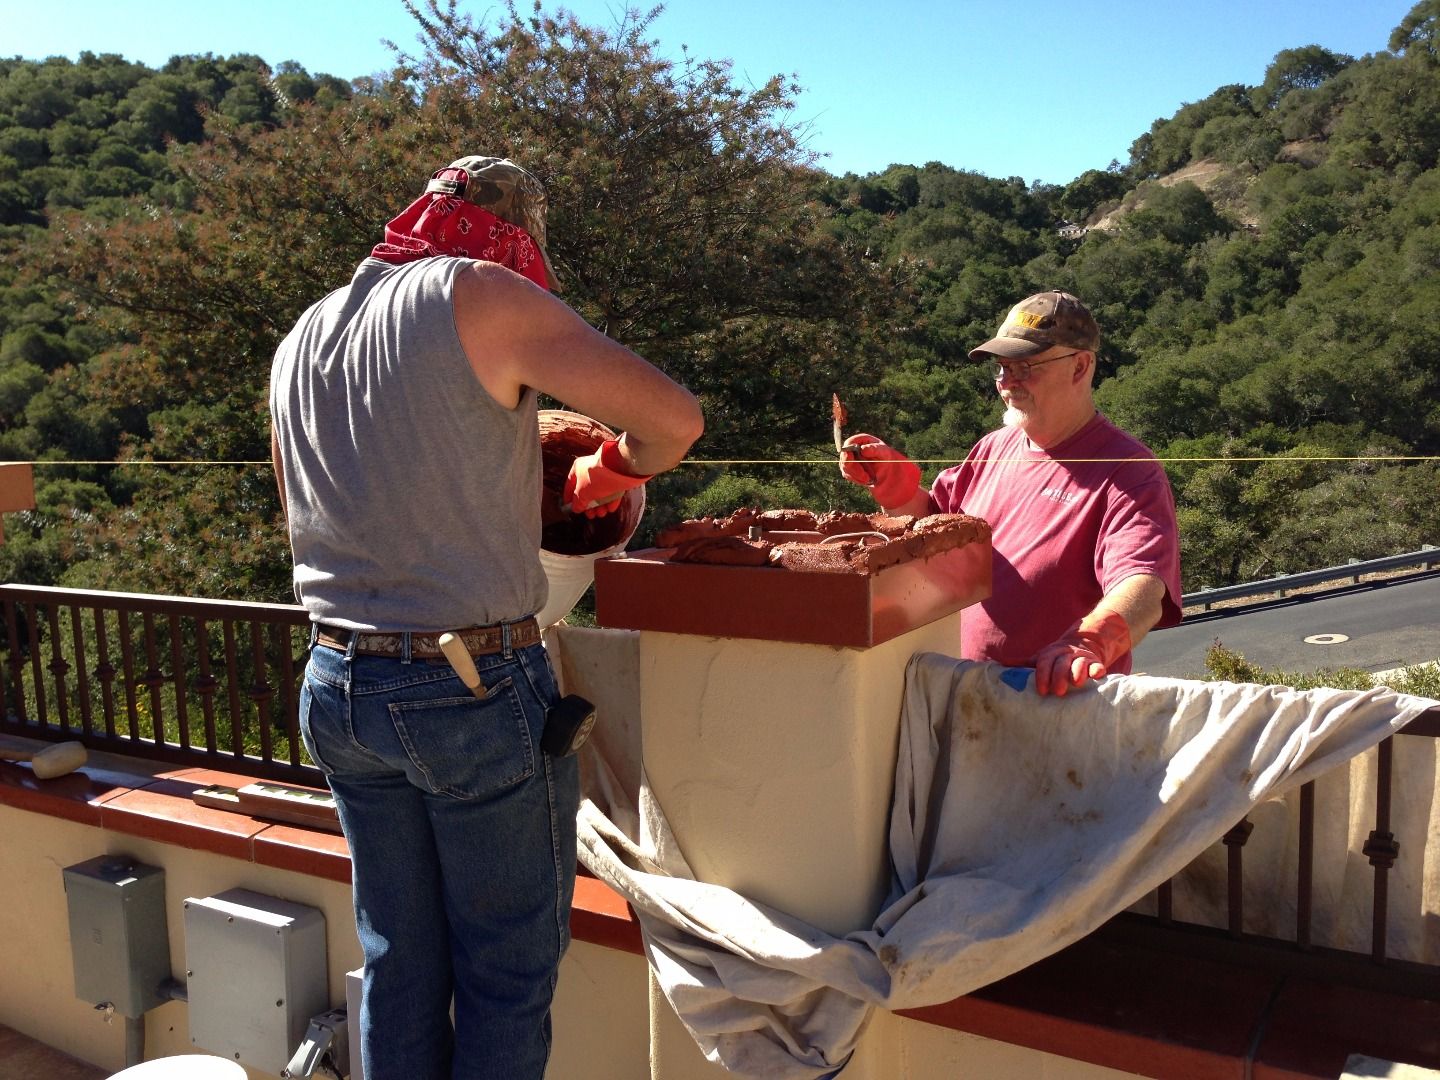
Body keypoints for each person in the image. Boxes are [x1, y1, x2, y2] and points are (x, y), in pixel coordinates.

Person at [269, 155, 703, 1080]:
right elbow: (674, 420)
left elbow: (302, 504)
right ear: (513, 241)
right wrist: (615, 469)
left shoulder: (304, 333)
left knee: (397, 957)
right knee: (506, 971)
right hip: (466, 685)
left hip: (336, 683)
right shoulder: (480, 293)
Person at [840, 290, 1180, 696]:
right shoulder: (993, 448)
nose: (1008, 383)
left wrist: (1089, 642)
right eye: (1001, 369)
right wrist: (897, 490)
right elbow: (937, 528)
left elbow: (1143, 587)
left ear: (1080, 366)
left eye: (1024, 367)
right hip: (966, 699)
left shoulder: (1128, 471)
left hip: (1056, 707)